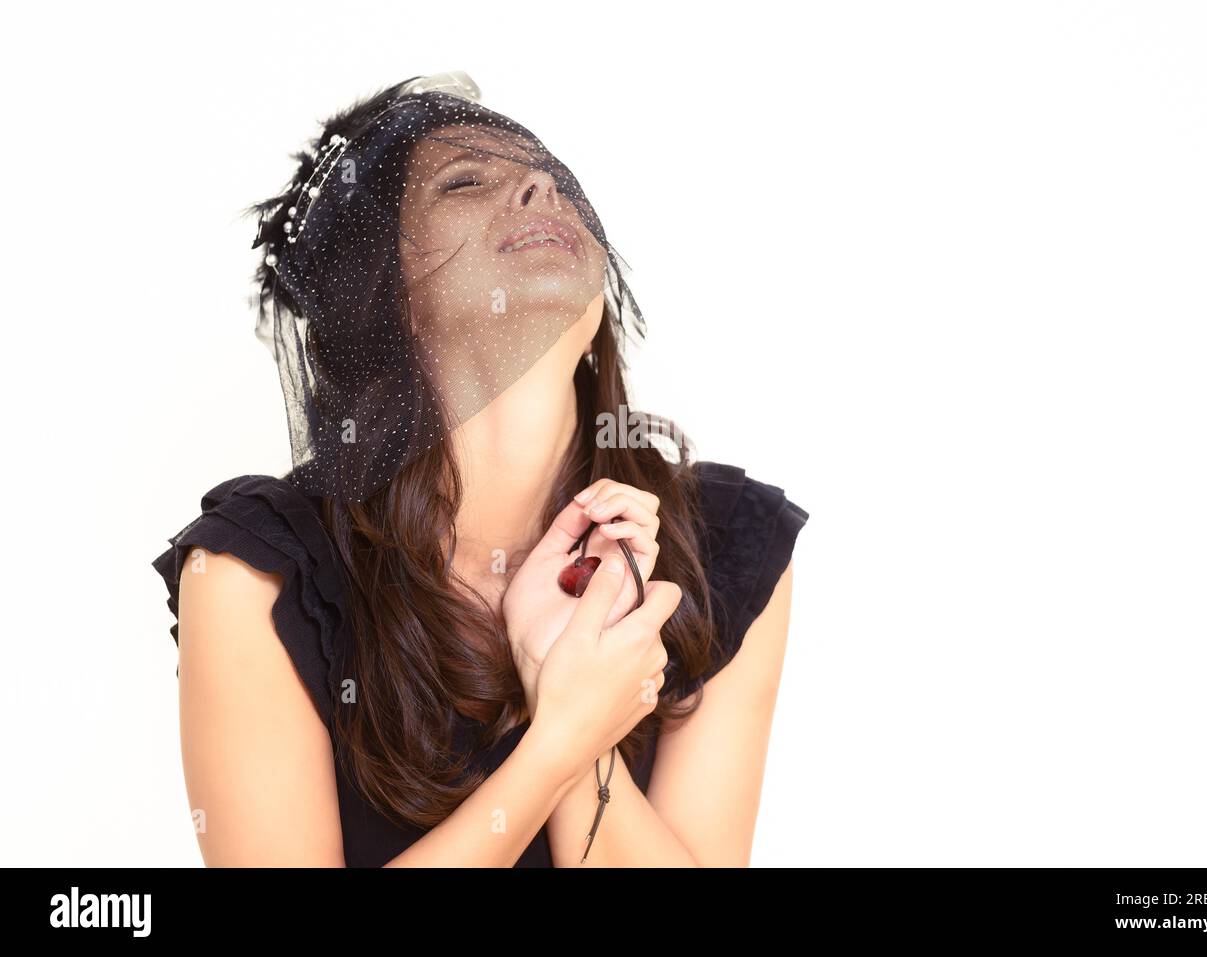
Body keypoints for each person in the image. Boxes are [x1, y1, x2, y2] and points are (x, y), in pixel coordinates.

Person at [151, 73, 809, 867]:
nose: (541, 186)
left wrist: (572, 682)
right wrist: (562, 735)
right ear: (385, 297)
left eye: (553, 178)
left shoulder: (722, 542)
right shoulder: (256, 573)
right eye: (465, 182)